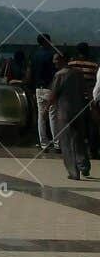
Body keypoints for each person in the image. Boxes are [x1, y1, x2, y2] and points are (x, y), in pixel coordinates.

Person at [50, 43, 95, 181]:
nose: (54, 61)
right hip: (79, 109)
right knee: (79, 139)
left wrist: (47, 108)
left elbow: (53, 94)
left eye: (56, 59)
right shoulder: (78, 73)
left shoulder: (59, 75)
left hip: (64, 111)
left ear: (62, 59)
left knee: (66, 141)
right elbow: (87, 90)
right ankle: (84, 166)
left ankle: (73, 171)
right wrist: (91, 104)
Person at [31, 33, 59, 152]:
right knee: (53, 115)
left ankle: (43, 143)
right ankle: (57, 143)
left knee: (41, 116)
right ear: (47, 41)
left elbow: (32, 72)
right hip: (49, 88)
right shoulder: (51, 55)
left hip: (39, 88)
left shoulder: (34, 56)